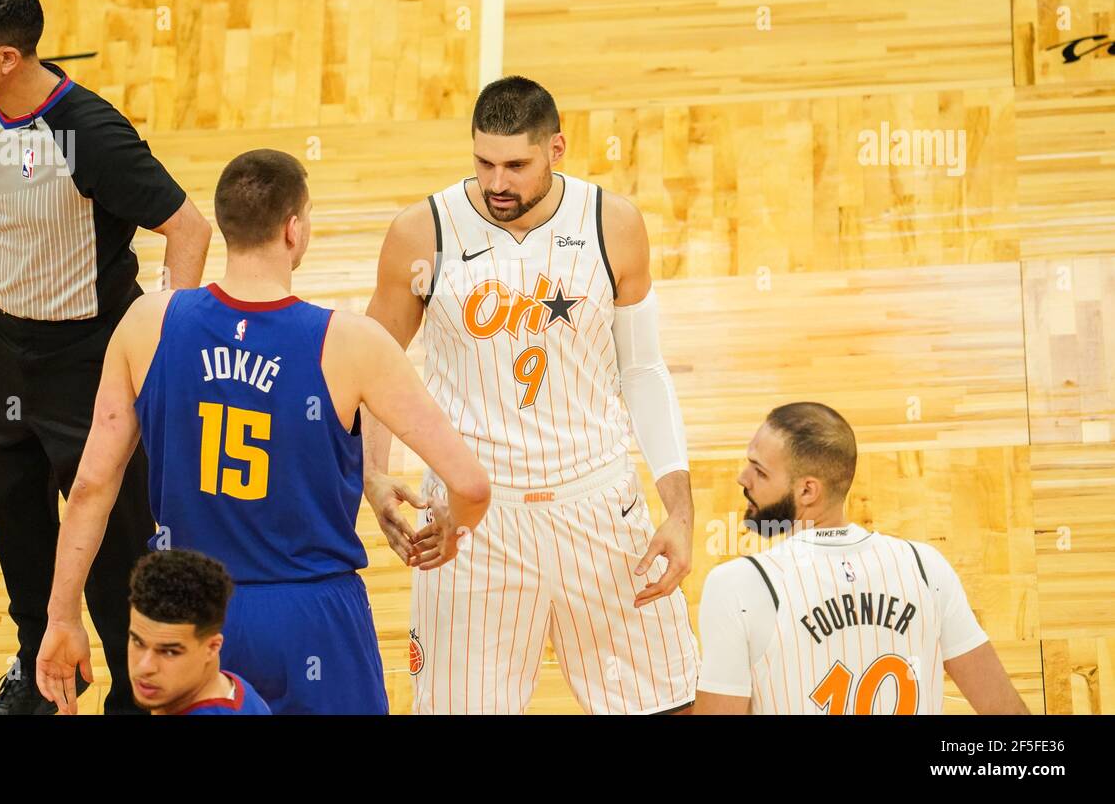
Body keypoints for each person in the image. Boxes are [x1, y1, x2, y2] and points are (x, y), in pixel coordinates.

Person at [35, 149, 489, 714]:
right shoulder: (352, 343)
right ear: (294, 230)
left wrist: (61, 616)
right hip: (313, 617)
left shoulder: (148, 323)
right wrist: (450, 532)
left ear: (226, 225)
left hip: (193, 619)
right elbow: (470, 486)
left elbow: (91, 487)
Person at [364, 76, 698, 714]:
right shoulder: (421, 233)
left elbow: (645, 373)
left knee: (668, 706)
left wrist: (679, 510)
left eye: (516, 165)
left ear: (557, 149)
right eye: (483, 162)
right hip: (471, 523)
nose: (497, 183)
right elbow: (373, 365)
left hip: (599, 506)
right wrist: (372, 476)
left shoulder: (613, 224)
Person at [0, 0, 211, 715]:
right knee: (18, 527)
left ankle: (134, 693)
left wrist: (162, 339)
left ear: (6, 57)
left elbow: (189, 229)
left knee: (115, 553)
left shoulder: (87, 133)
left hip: (87, 365)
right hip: (1, 355)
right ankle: (38, 670)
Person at [694, 402, 1029, 715]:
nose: (742, 478)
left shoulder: (736, 585)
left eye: (759, 471)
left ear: (808, 491)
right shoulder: (926, 567)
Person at [126, 549, 270, 716]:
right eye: (138, 642)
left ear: (212, 647)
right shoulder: (235, 687)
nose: (145, 667)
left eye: (170, 652)